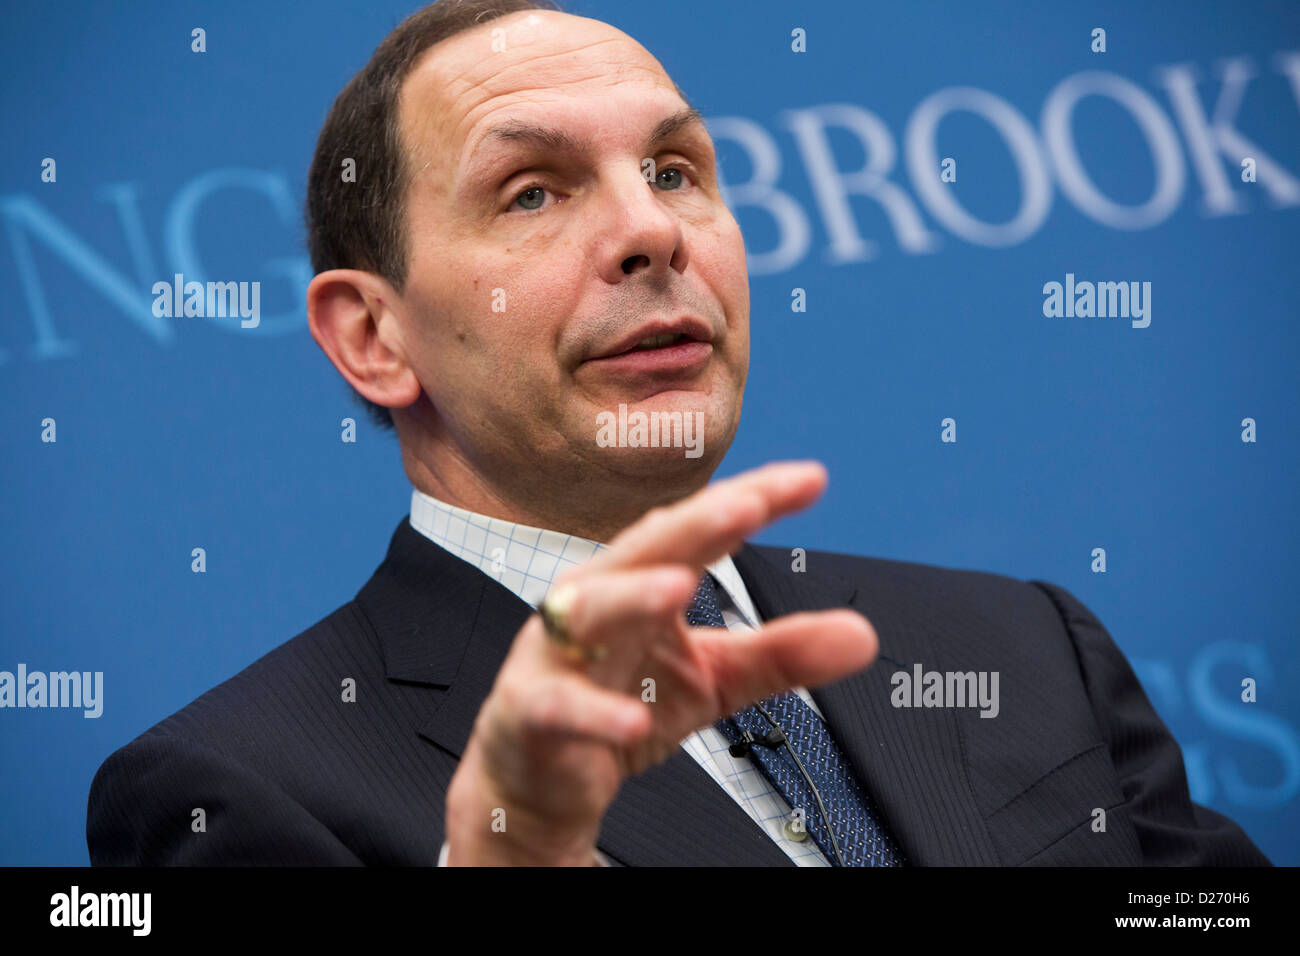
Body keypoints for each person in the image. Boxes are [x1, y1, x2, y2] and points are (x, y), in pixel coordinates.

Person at [87, 0, 1269, 867]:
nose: (652, 231)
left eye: (674, 168)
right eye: (533, 192)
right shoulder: (234, 789)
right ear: (373, 337)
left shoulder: (1023, 642)